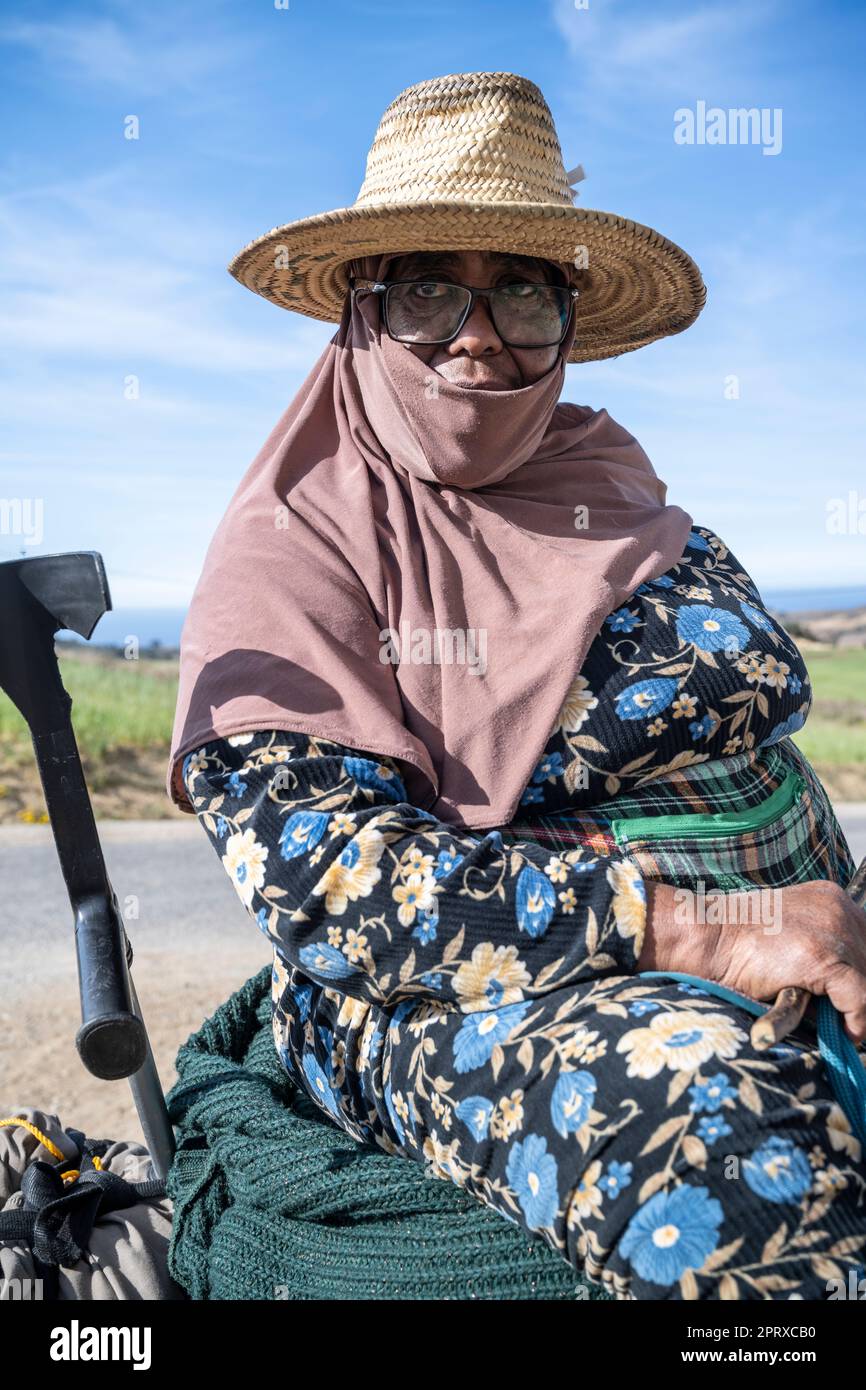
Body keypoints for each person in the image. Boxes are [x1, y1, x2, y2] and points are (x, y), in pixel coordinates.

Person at [167, 71, 866, 1300]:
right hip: (462, 981)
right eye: (429, 290)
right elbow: (332, 890)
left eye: (522, 294)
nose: (477, 337)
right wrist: (704, 930)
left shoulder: (605, 473)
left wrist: (795, 919)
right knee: (720, 1130)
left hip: (794, 916)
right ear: (361, 313)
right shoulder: (295, 540)